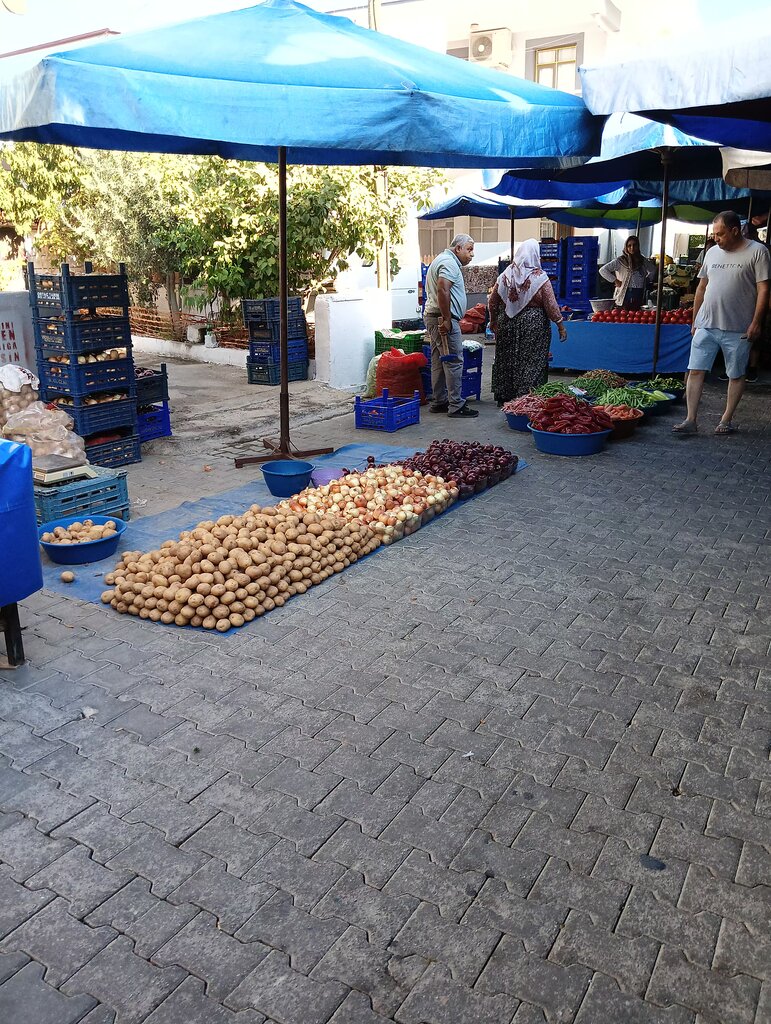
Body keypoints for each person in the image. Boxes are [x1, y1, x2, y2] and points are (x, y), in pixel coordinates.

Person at [673, 210, 770, 436]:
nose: (716, 238)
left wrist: (757, 322)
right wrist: (696, 319)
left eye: (720, 234)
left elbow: (764, 289)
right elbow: (701, 288)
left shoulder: (757, 252)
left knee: (736, 374)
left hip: (739, 328)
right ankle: (690, 419)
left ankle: (726, 419)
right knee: (695, 370)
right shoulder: (712, 253)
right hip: (706, 324)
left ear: (735, 231)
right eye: (715, 234)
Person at [488, 239, 567, 405]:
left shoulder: (504, 276)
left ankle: (505, 395)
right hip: (533, 325)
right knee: (532, 359)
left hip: (507, 323)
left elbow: (493, 301)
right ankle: (527, 396)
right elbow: (551, 305)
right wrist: (560, 325)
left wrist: (493, 320)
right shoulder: (540, 278)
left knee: (506, 358)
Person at [423, 234, 478, 417]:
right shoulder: (449, 262)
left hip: (434, 316)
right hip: (441, 318)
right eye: (469, 250)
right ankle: (456, 405)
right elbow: (442, 288)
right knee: (453, 360)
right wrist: (447, 319)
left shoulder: (442, 259)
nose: (472, 255)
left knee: (439, 360)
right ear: (458, 249)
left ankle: (439, 401)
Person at [599, 235, 657, 310]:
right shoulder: (620, 261)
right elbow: (603, 270)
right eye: (629, 246)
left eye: (634, 245)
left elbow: (653, 269)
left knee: (636, 315)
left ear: (638, 246)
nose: (632, 248)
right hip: (624, 294)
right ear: (626, 247)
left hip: (638, 293)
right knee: (623, 315)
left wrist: (647, 279)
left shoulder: (642, 260)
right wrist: (615, 280)